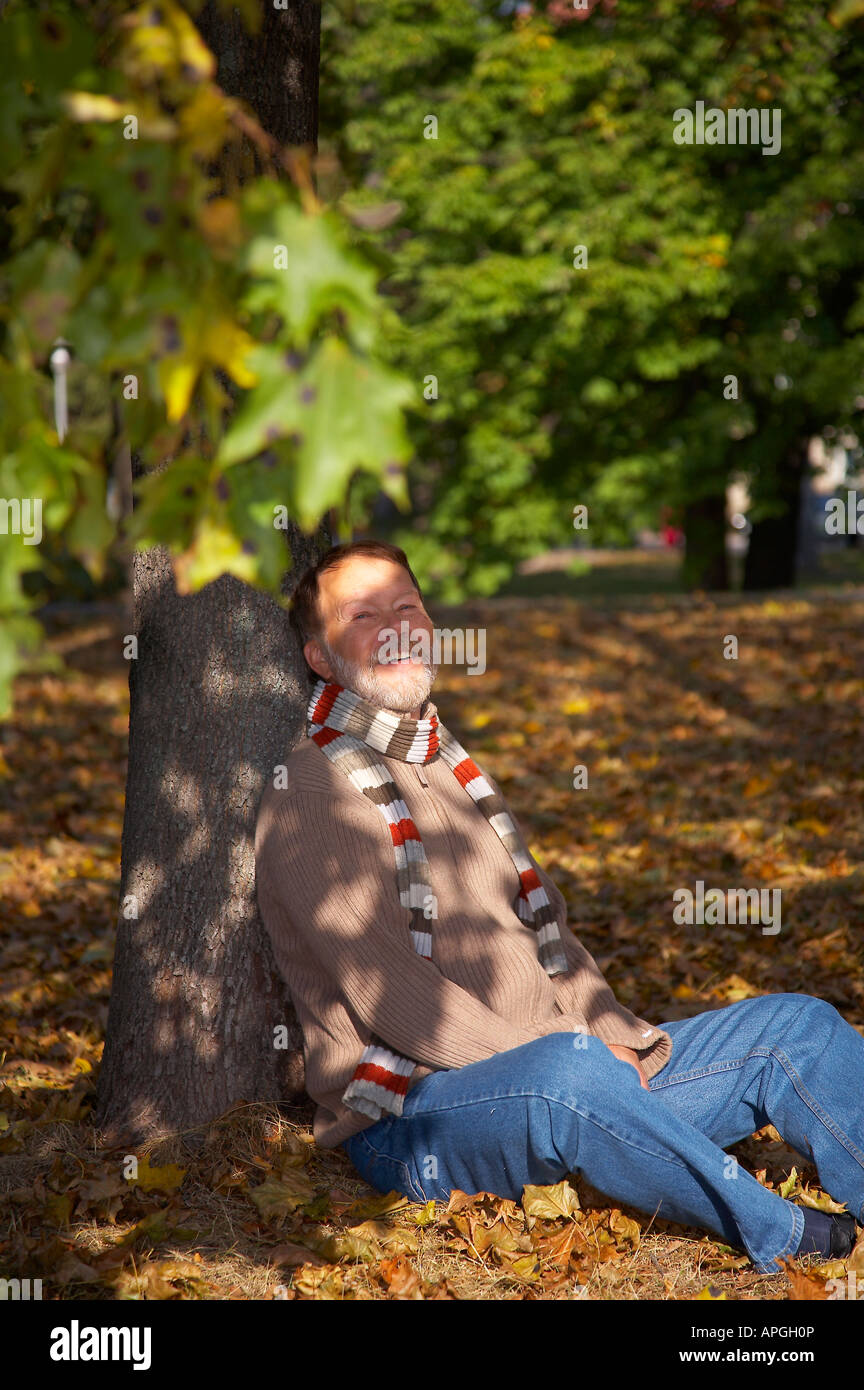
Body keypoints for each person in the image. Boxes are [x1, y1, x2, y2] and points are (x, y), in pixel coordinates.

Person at [253, 539, 864, 1274]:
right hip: (411, 1116)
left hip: (565, 1073)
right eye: (362, 615)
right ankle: (783, 1235)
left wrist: (617, 1040)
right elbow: (394, 997)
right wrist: (578, 1059)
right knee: (570, 1079)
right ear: (320, 656)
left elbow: (553, 941)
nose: (394, 626)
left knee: (795, 1026)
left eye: (406, 605)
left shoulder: (449, 761)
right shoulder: (311, 787)